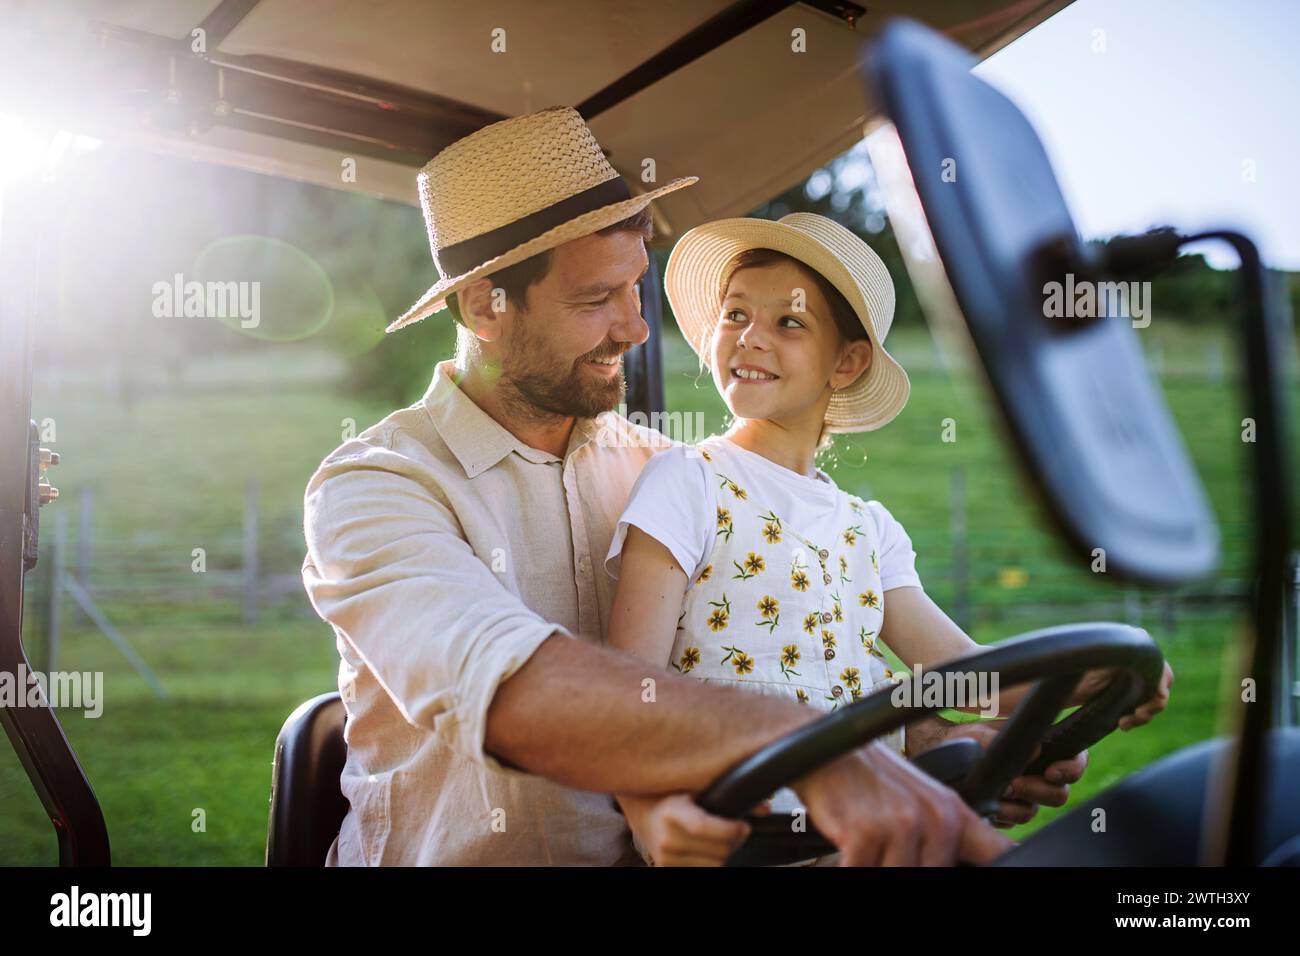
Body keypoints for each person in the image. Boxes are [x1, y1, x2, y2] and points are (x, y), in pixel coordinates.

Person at [301, 106, 1098, 867]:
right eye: (595, 300)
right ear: (486, 304)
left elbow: (778, 649)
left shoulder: (671, 465)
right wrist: (783, 744)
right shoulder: (376, 488)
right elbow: (514, 689)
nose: (637, 328)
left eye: (634, 290)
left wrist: (927, 748)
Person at [603, 214, 1176, 866]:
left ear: (845, 363)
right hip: (738, 839)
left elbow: (963, 676)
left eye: (789, 322)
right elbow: (632, 690)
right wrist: (651, 812)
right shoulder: (686, 481)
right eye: (735, 315)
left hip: (866, 837)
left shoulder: (867, 528)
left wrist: (1103, 675)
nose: (751, 337)